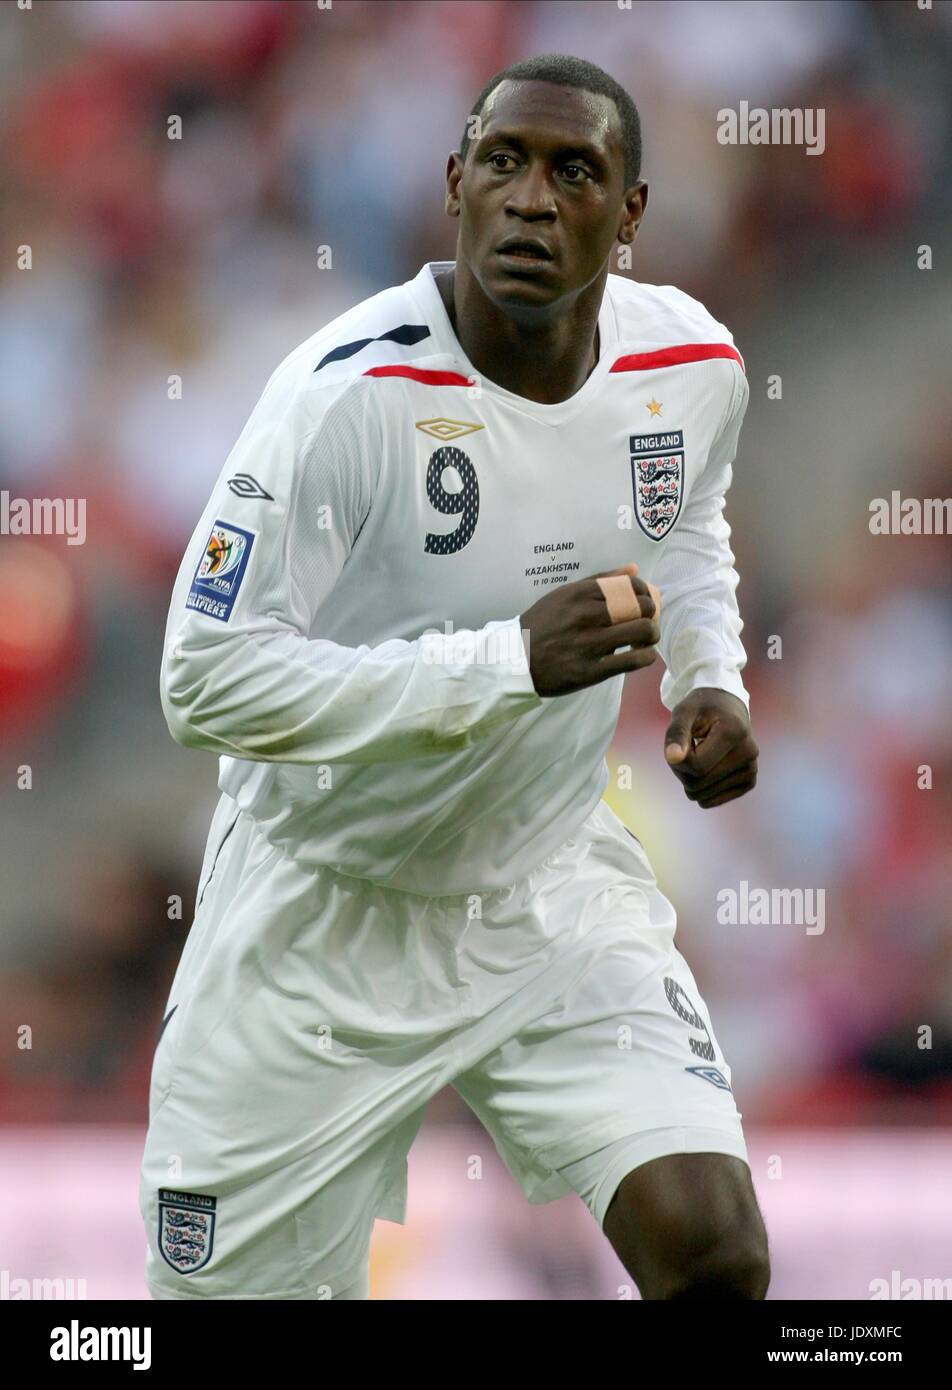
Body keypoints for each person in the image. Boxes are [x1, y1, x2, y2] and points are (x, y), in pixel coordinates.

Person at [140, 53, 767, 1301]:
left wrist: (710, 676)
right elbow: (200, 678)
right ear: (454, 186)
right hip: (319, 910)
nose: (532, 199)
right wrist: (502, 665)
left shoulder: (691, 366)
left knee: (714, 1251)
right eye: (503, 164)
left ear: (629, 212)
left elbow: (686, 516)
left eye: (574, 171)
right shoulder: (344, 398)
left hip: (545, 883)